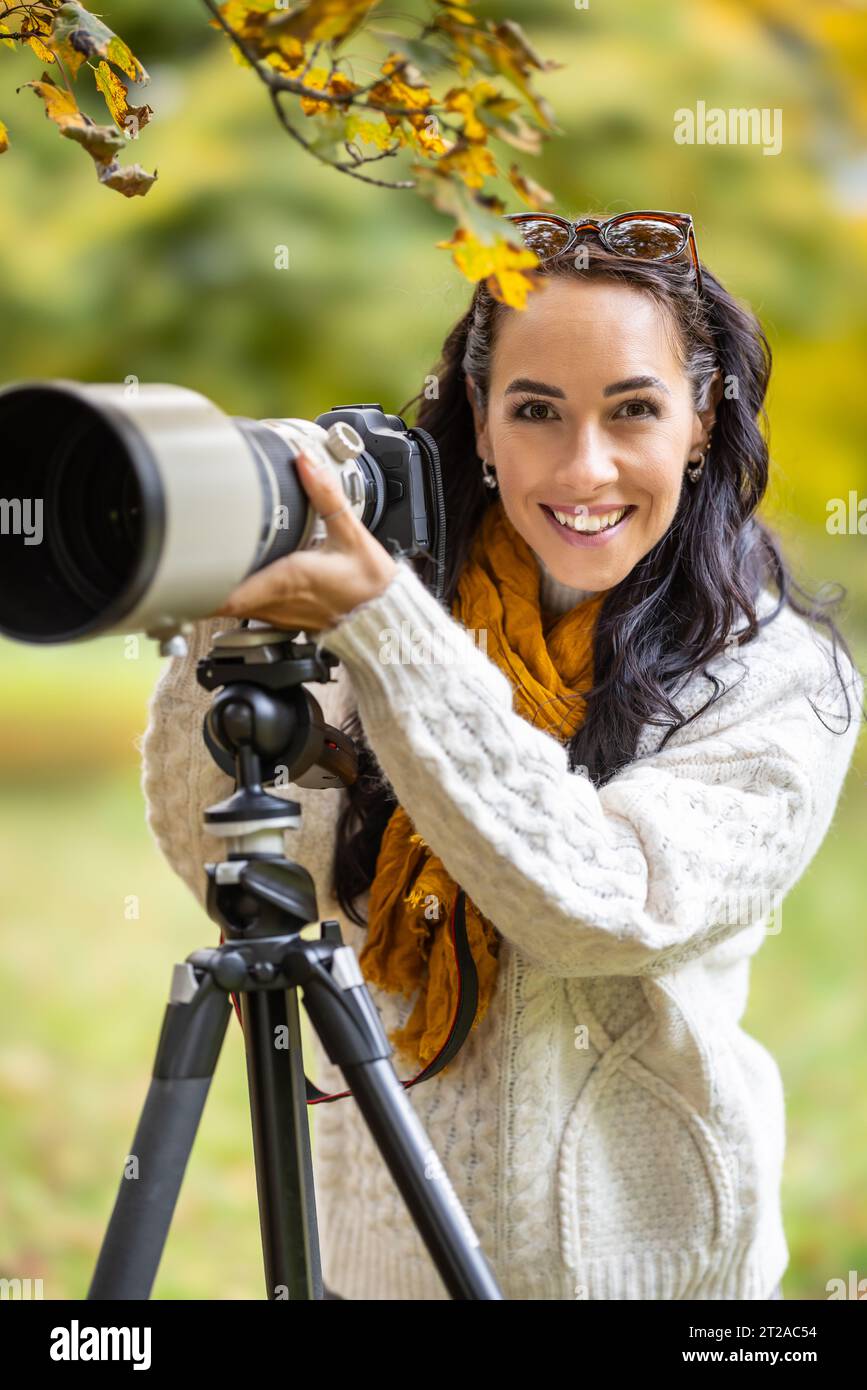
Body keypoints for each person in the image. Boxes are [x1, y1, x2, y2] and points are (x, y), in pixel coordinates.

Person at [141, 211, 863, 1301]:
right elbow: (223, 854)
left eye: (634, 410)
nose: (586, 466)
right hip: (380, 1263)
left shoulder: (777, 677)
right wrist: (232, 594)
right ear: (479, 421)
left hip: (653, 1279)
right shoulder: (381, 601)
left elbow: (605, 906)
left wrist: (389, 631)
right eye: (536, 411)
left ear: (702, 421)